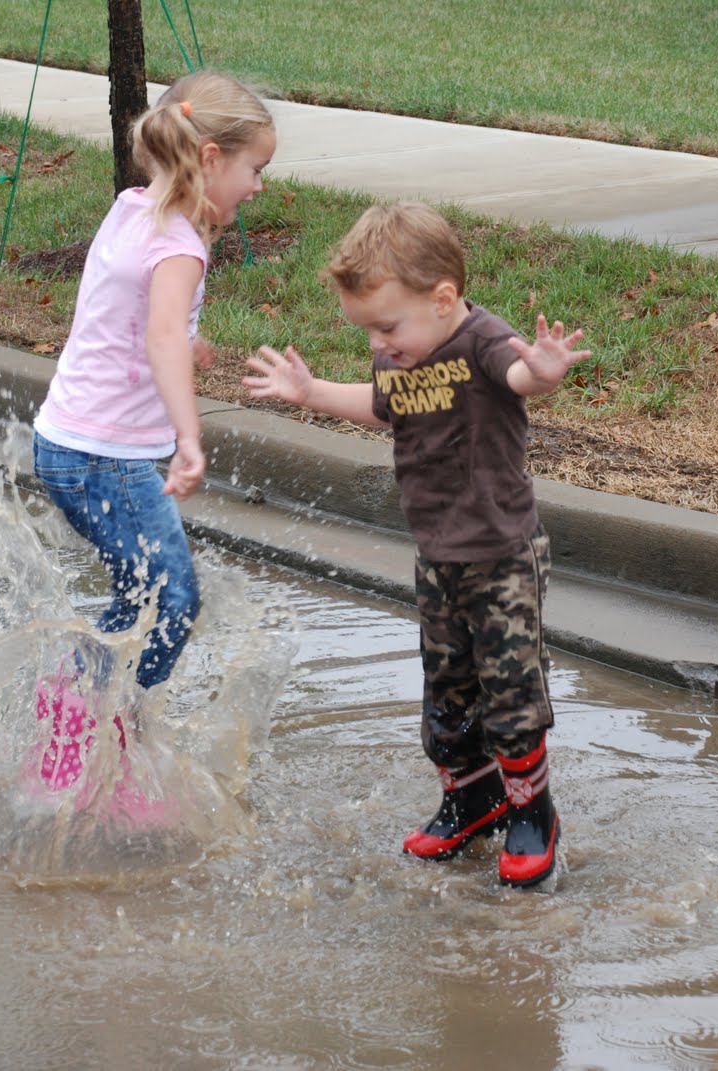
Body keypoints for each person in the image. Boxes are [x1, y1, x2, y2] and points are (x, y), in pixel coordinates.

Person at [243, 202, 590, 887]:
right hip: (437, 557)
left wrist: (544, 372)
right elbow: (380, 406)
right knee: (448, 694)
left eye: (386, 327)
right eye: (369, 330)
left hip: (502, 557)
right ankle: (471, 796)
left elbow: (519, 377)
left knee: (511, 693)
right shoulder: (405, 354)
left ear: (443, 299)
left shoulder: (484, 343)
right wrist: (309, 392)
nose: (378, 343)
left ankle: (532, 811)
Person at [31, 70, 276, 790]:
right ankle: (106, 725)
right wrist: (190, 435)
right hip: (107, 457)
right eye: (253, 169)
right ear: (209, 158)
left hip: (66, 443)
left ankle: (83, 697)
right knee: (174, 598)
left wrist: (175, 342)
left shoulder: (132, 209)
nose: (257, 187)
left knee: (140, 594)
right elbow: (162, 333)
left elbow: (122, 312)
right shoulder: (182, 245)